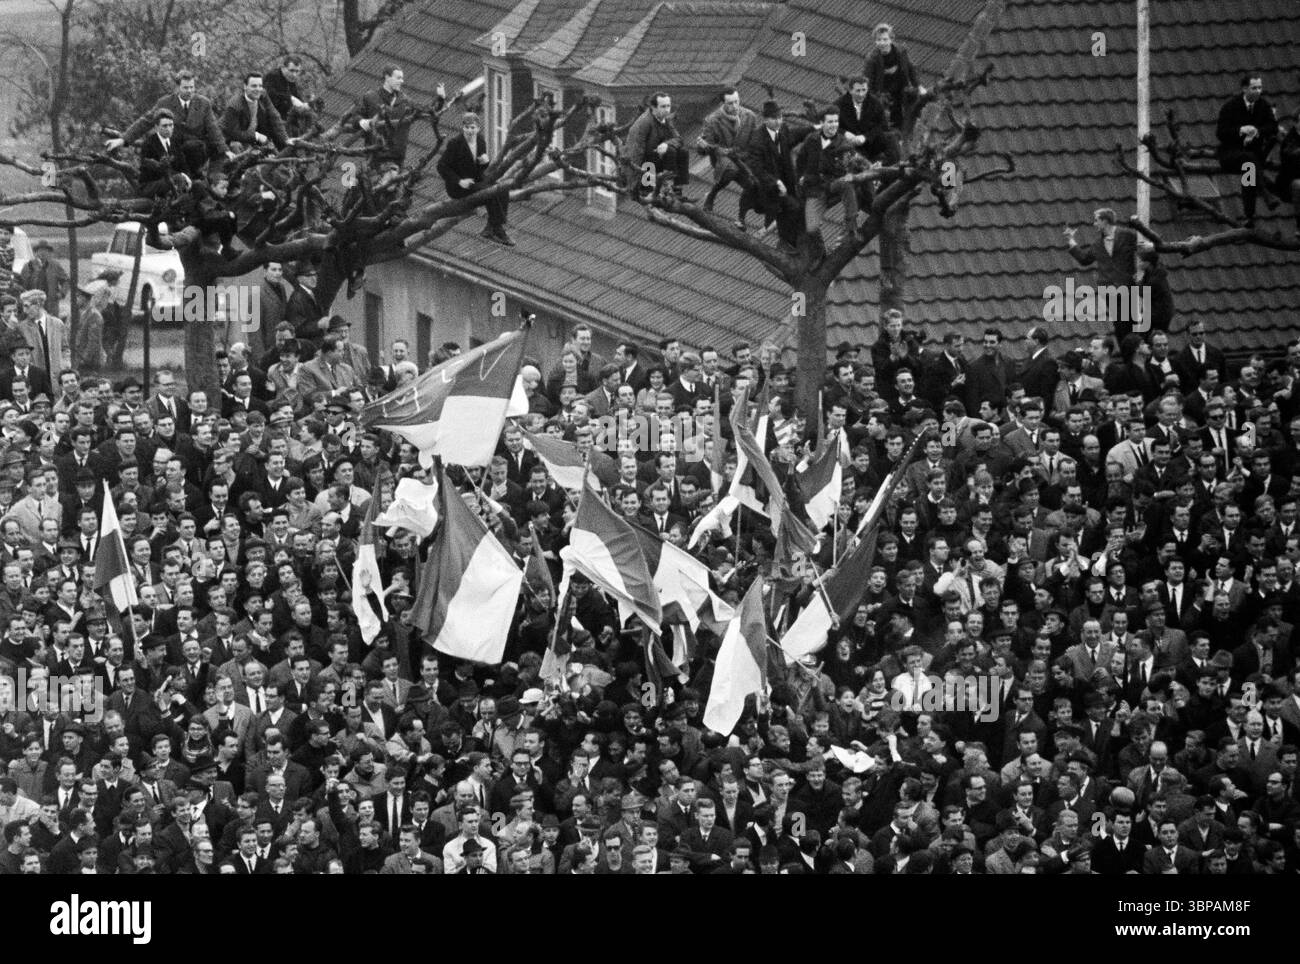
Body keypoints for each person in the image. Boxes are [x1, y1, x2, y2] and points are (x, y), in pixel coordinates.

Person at [437, 113, 512, 246]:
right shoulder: (455, 144)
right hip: (459, 187)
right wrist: (460, 181)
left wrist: (485, 163)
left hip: (476, 182)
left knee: (503, 189)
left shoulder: (481, 141)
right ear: (463, 128)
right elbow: (442, 167)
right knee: (491, 193)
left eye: (473, 128)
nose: (470, 131)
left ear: (478, 128)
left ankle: (491, 227)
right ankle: (498, 229)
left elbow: (479, 168)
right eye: (467, 128)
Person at [1216, 74, 1279, 227]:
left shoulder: (1263, 106)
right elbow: (1221, 133)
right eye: (1254, 88)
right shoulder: (1231, 106)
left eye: (1260, 88)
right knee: (1248, 162)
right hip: (1231, 154)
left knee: (1249, 170)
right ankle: (1265, 194)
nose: (1258, 91)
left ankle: (1249, 216)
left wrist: (1257, 131)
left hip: (1252, 156)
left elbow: (1273, 127)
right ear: (1245, 89)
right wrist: (1240, 130)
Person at [625, 92, 691, 200]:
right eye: (663, 106)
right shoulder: (644, 123)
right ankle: (666, 188)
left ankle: (677, 189)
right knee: (671, 151)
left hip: (660, 159)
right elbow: (637, 151)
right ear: (653, 108)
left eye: (668, 106)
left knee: (683, 151)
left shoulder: (666, 119)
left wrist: (666, 144)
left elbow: (679, 139)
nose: (667, 110)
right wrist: (634, 180)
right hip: (646, 163)